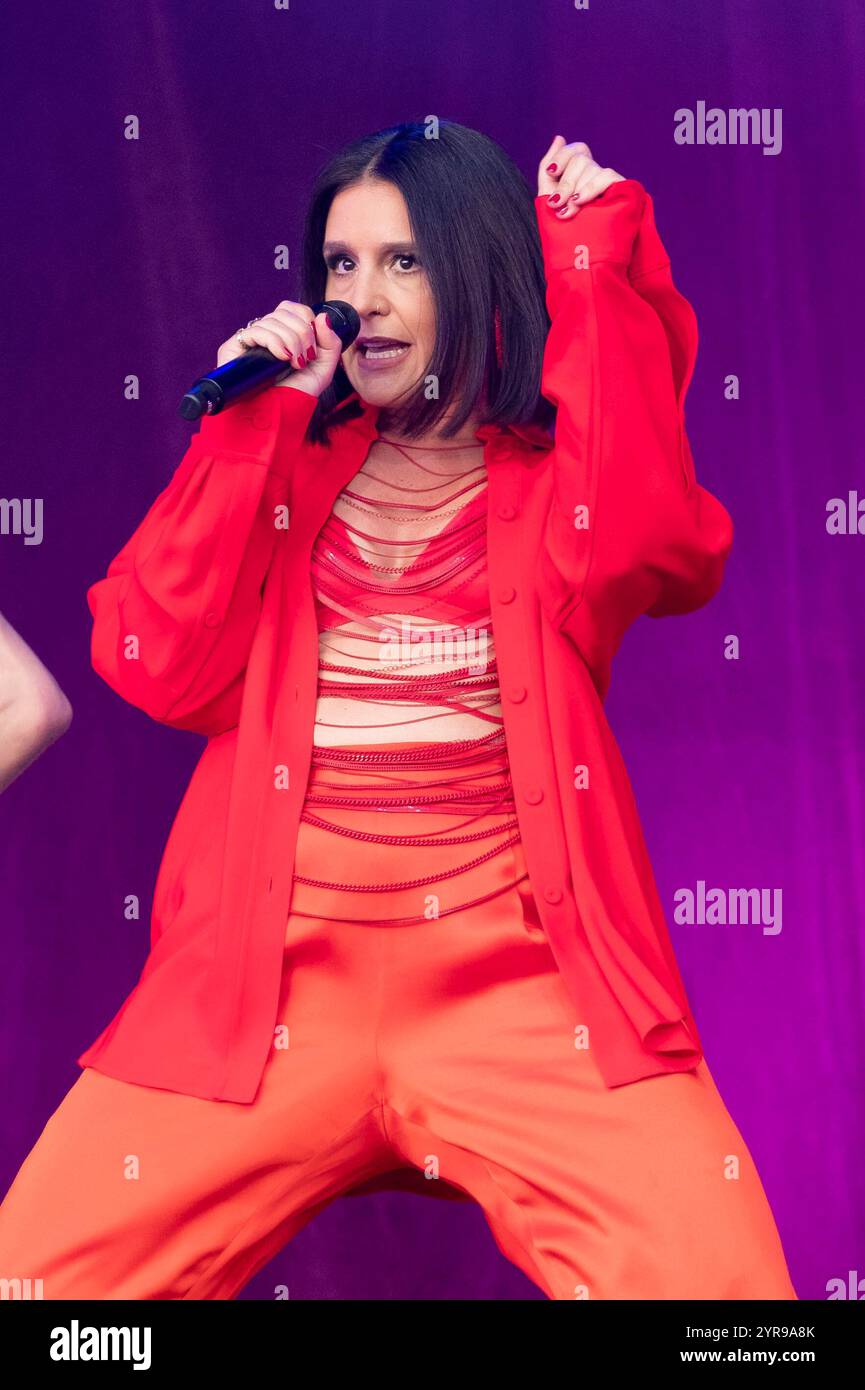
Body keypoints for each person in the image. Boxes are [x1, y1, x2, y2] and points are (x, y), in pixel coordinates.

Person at [0, 121, 798, 1301]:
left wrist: (587, 256)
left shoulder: (548, 482)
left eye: (403, 263)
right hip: (264, 988)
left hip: (526, 984)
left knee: (728, 1310)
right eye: (338, 265)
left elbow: (658, 538)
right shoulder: (282, 458)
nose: (360, 299)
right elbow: (152, 660)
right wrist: (248, 430)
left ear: (476, 270)